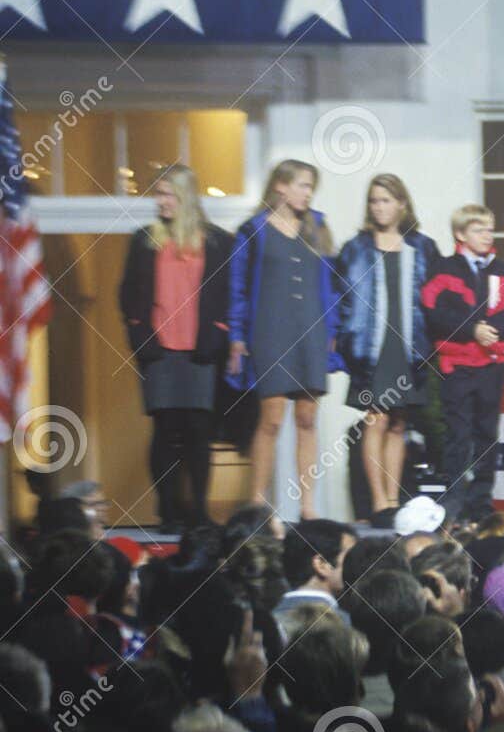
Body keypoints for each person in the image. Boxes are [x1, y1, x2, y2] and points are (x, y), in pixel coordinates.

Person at [119, 164, 232, 529]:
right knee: (166, 430)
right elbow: (128, 295)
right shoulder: (143, 240)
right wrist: (139, 334)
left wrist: (219, 332)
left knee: (199, 430)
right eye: (159, 193)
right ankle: (168, 509)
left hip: (200, 350)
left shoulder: (215, 241)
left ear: (185, 197)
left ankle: (198, 510)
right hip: (160, 351)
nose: (161, 201)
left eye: (168, 193)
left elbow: (228, 295)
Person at [227, 158, 342, 519]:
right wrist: (236, 336)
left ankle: (308, 508)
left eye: (311, 187)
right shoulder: (253, 231)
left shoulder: (317, 226)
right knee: (271, 419)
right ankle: (258, 504)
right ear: (281, 186)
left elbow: (331, 284)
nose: (308, 193)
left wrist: (332, 329)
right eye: (303, 185)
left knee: (307, 418)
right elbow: (237, 287)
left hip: (311, 328)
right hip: (269, 330)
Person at [337, 174, 439, 517]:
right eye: (374, 201)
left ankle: (394, 499)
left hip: (409, 347)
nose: (379, 207)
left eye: (386, 200)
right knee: (375, 420)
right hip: (371, 348)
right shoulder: (356, 248)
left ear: (402, 204)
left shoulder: (422, 246)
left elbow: (435, 299)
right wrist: (347, 346)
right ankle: (378, 500)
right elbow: (342, 301)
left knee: (399, 423)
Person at [422, 205, 504, 520]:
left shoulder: (503, 270)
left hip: (492, 365)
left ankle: (481, 501)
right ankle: (455, 498)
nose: (486, 236)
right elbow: (435, 309)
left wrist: (493, 332)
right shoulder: (444, 268)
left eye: (489, 229)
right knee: (458, 433)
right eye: (478, 230)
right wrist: (472, 329)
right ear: (461, 234)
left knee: (486, 433)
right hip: (458, 365)